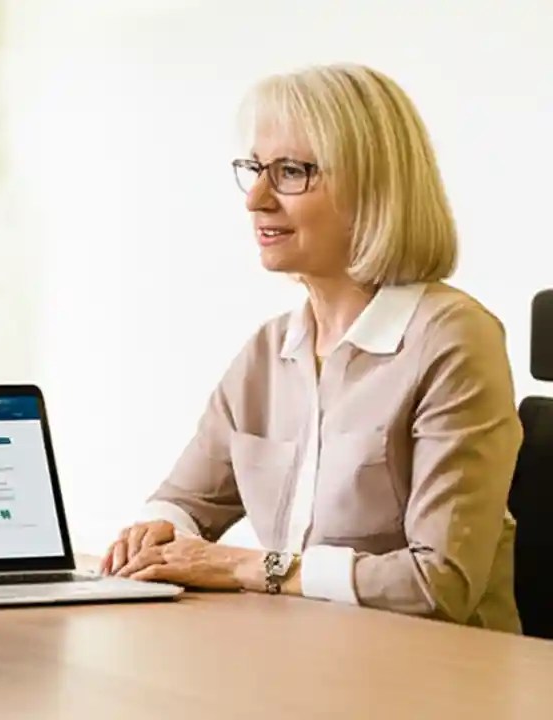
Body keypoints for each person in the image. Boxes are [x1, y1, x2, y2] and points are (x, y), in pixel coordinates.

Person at [100, 63, 522, 632]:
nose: (256, 199)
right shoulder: (268, 350)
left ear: (376, 189)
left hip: (435, 681)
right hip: (303, 656)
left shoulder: (453, 339)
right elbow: (184, 501)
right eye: (254, 169)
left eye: (291, 172)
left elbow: (438, 583)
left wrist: (249, 566)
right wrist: (155, 531)